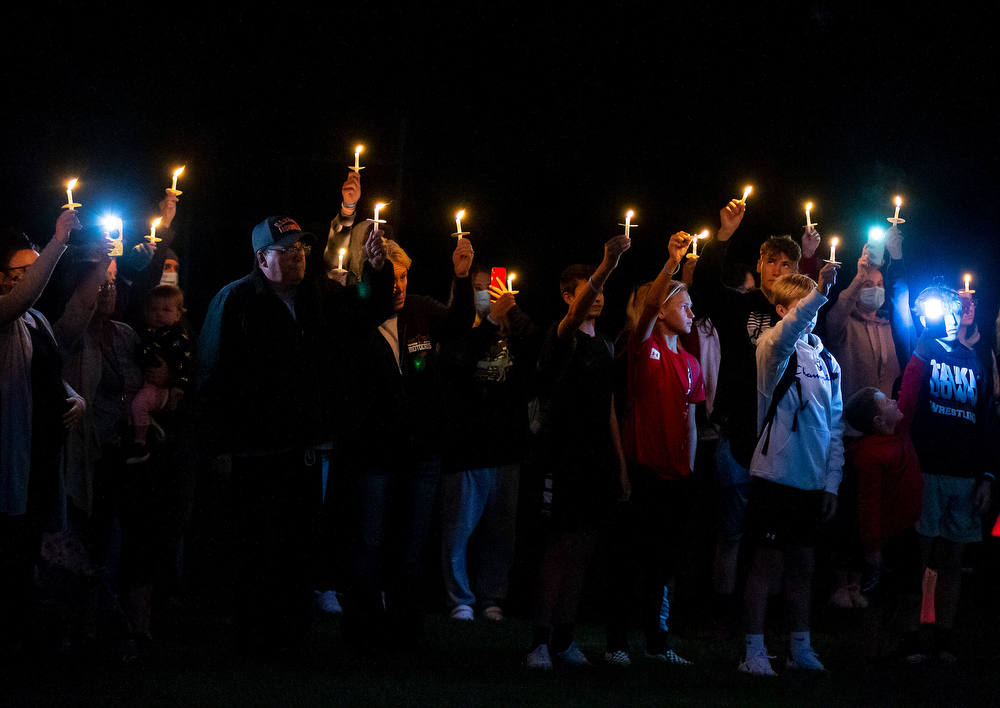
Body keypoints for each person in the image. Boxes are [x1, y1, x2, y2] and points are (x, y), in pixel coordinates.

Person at [196, 215, 392, 656]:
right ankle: (253, 637)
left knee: (299, 547)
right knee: (257, 548)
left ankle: (291, 637)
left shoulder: (320, 294)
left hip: (304, 450)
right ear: (261, 258)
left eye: (302, 249)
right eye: (286, 250)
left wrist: (378, 273)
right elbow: (211, 377)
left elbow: (367, 310)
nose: (298, 257)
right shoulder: (235, 301)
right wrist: (219, 446)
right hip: (255, 451)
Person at [340, 236, 475, 647]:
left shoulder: (420, 309)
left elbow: (457, 322)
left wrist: (463, 277)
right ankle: (363, 630)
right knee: (369, 541)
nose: (397, 286)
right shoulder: (359, 312)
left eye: (402, 276)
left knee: (411, 546)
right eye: (389, 276)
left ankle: (405, 632)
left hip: (422, 453)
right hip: (376, 452)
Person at [688, 199, 802, 636]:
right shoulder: (741, 305)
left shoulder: (802, 315)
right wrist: (723, 236)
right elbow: (705, 295)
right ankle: (721, 611)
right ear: (760, 263)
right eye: (770, 260)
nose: (777, 268)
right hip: (739, 433)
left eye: (787, 262)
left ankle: (766, 618)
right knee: (731, 532)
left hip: (783, 436)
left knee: (772, 538)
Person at [525, 234, 631, 670]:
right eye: (590, 289)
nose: (599, 297)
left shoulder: (605, 344)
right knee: (557, 549)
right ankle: (538, 643)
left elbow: (608, 406)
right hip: (561, 458)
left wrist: (620, 467)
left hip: (597, 462)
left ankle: (565, 639)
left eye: (602, 289)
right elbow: (570, 321)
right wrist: (606, 264)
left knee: (584, 549)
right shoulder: (560, 335)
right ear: (570, 296)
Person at [740, 267, 843, 675]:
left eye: (816, 303)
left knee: (803, 565)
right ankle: (754, 651)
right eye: (803, 306)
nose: (812, 313)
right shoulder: (771, 347)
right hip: (775, 476)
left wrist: (831, 483)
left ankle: (800, 647)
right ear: (782, 309)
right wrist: (819, 291)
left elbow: (835, 427)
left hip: (811, 482)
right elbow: (790, 331)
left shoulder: (828, 360)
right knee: (766, 565)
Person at [606, 231, 701, 668]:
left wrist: (689, 471)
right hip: (642, 471)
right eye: (684, 306)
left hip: (676, 477)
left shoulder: (691, 363)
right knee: (630, 561)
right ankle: (616, 642)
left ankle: (657, 642)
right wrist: (672, 264)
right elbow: (646, 311)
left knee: (665, 565)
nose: (692, 312)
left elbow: (691, 421)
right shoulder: (641, 348)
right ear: (662, 312)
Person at [0, 212, 85, 650]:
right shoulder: (5, 315)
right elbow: (17, 303)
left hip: (37, 457)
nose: (37, 279)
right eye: (26, 271)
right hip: (8, 457)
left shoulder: (35, 321)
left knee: (26, 547)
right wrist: (59, 241)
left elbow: (48, 371)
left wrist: (77, 397)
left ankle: (21, 637)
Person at [439, 265, 538, 622]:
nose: (485, 296)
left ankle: (492, 597)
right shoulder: (456, 333)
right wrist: (490, 324)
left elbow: (537, 357)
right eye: (477, 289)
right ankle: (459, 599)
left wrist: (513, 315)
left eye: (490, 289)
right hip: (467, 451)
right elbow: (458, 368)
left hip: (506, 450)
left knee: (501, 534)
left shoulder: (515, 335)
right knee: (458, 531)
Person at [907, 284, 996, 662]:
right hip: (926, 469)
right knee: (919, 556)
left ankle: (943, 639)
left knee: (953, 561)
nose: (953, 314)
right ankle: (911, 637)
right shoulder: (924, 350)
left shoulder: (976, 359)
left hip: (964, 474)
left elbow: (987, 421)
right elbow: (909, 406)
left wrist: (987, 477)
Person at [843, 344, 924, 663]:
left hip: (907, 534)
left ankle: (892, 647)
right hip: (887, 542)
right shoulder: (871, 455)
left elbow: (910, 389)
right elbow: (869, 505)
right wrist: (873, 550)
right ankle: (872, 656)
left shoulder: (899, 429)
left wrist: (920, 349)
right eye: (887, 401)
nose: (894, 400)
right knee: (880, 600)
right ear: (879, 420)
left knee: (909, 594)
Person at [127, 285, 191, 464]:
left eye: (166, 310)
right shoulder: (146, 333)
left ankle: (140, 443)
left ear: (178, 314)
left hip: (161, 390)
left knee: (139, 404)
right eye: (154, 309)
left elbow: (185, 363)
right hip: (147, 384)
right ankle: (146, 425)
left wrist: (177, 386)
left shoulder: (176, 337)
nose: (159, 314)